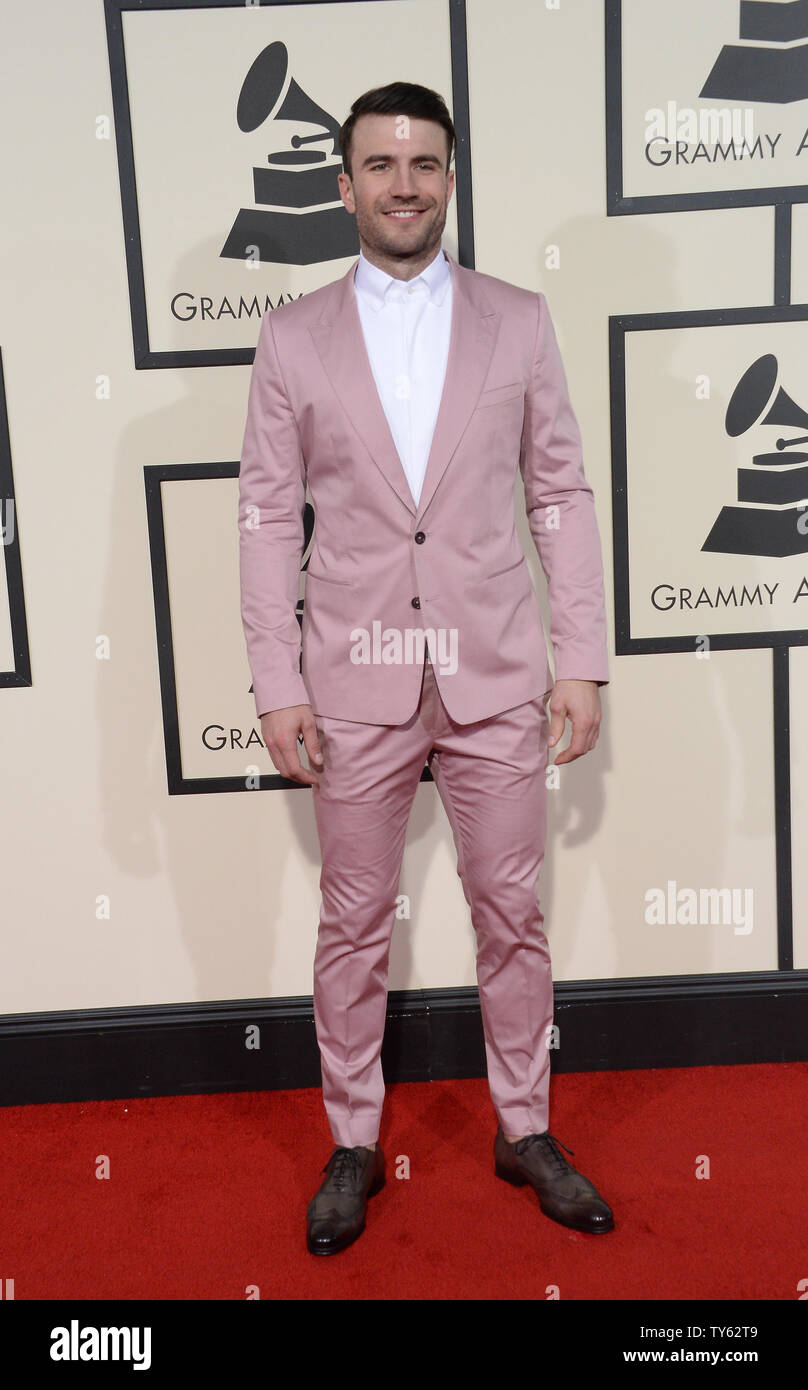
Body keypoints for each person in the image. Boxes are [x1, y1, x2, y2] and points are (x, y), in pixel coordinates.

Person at [238, 81, 614, 1256]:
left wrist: (582, 656)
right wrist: (276, 680)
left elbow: (557, 492)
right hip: (352, 676)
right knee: (352, 922)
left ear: (450, 179)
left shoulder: (520, 318)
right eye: (382, 165)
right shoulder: (292, 336)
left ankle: (522, 1123)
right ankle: (353, 1137)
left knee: (512, 913)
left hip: (495, 670)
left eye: (426, 165)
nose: (405, 184)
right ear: (343, 184)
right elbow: (262, 516)